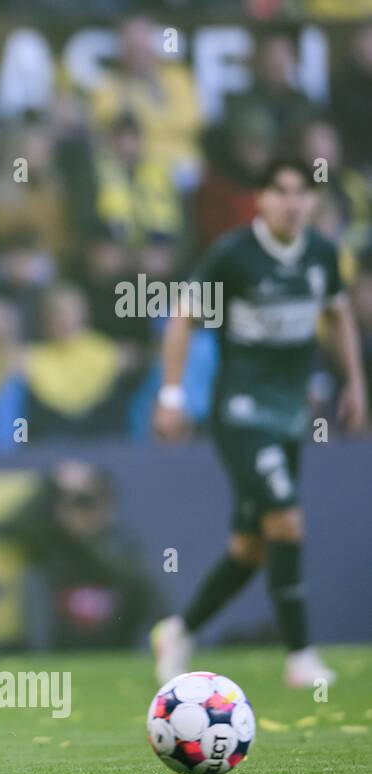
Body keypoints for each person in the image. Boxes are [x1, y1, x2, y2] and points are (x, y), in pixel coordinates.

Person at [151, 159, 368, 689]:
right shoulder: (234, 254)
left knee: (250, 547)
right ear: (261, 199)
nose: (293, 202)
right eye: (281, 191)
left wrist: (355, 383)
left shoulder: (320, 253)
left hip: (290, 417)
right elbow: (183, 314)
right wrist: (173, 394)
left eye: (302, 192)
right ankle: (301, 658)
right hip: (241, 413)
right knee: (288, 522)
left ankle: (179, 630)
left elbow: (337, 314)